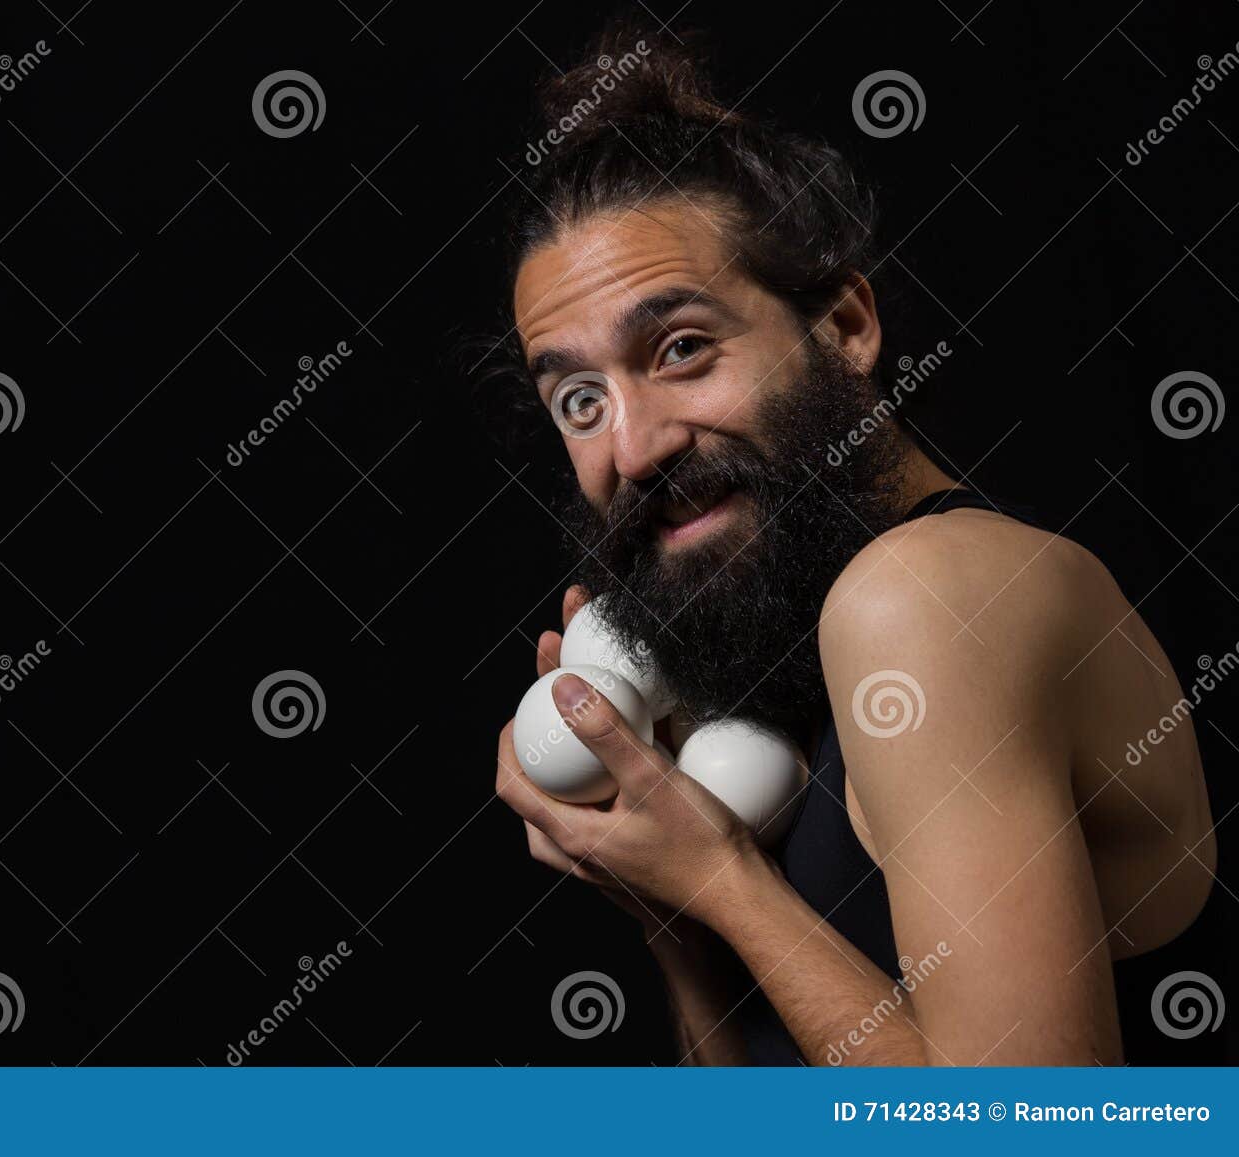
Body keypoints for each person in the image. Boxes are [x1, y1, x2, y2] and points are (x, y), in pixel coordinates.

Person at [491, 28, 1221, 1065]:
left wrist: (723, 883)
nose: (634, 445)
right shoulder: (795, 649)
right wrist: (671, 903)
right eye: (577, 397)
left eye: (682, 348)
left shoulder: (929, 593)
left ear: (841, 323)